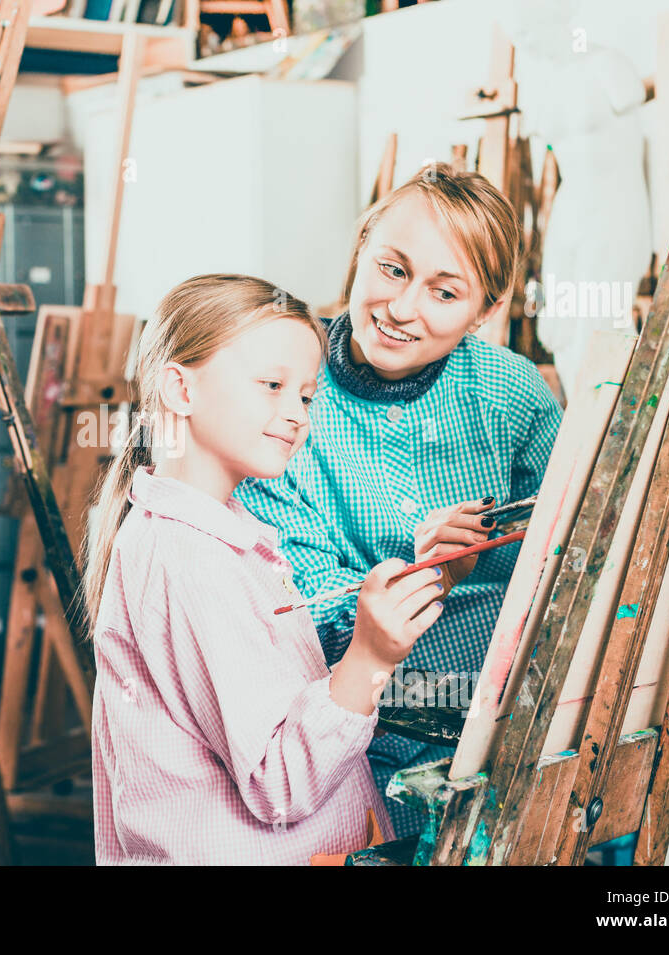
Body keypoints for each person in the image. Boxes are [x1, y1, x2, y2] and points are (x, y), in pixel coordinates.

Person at [235, 164, 563, 838]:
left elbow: (572, 564)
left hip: (518, 716)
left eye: (445, 291)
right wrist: (425, 576)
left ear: (486, 309)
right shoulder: (285, 391)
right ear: (360, 251)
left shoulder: (514, 394)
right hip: (354, 719)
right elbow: (302, 613)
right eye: (391, 269)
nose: (404, 307)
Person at [85, 274, 448, 864]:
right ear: (181, 388)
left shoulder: (221, 535)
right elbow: (279, 783)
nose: (297, 415)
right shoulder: (187, 559)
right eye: (271, 386)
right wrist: (369, 658)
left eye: (305, 396)